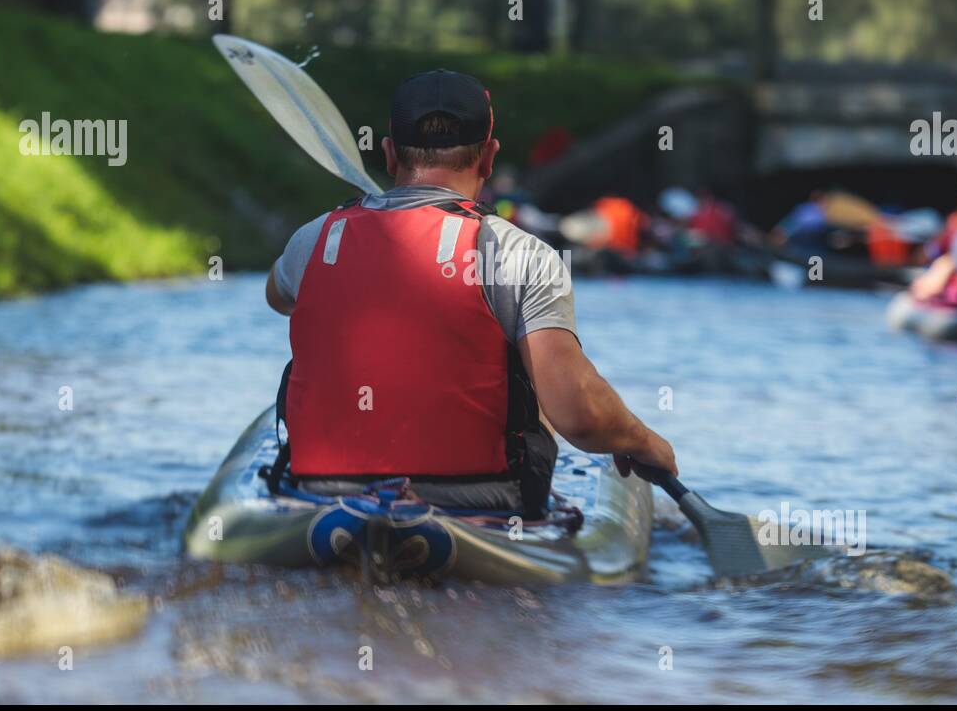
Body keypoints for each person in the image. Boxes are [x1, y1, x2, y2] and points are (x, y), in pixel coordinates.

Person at [264, 69, 676, 517]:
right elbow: (575, 413)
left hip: (322, 488)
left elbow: (279, 296)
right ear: (489, 158)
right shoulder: (521, 255)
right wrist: (641, 439)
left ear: (388, 154)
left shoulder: (313, 240)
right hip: (479, 498)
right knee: (531, 389)